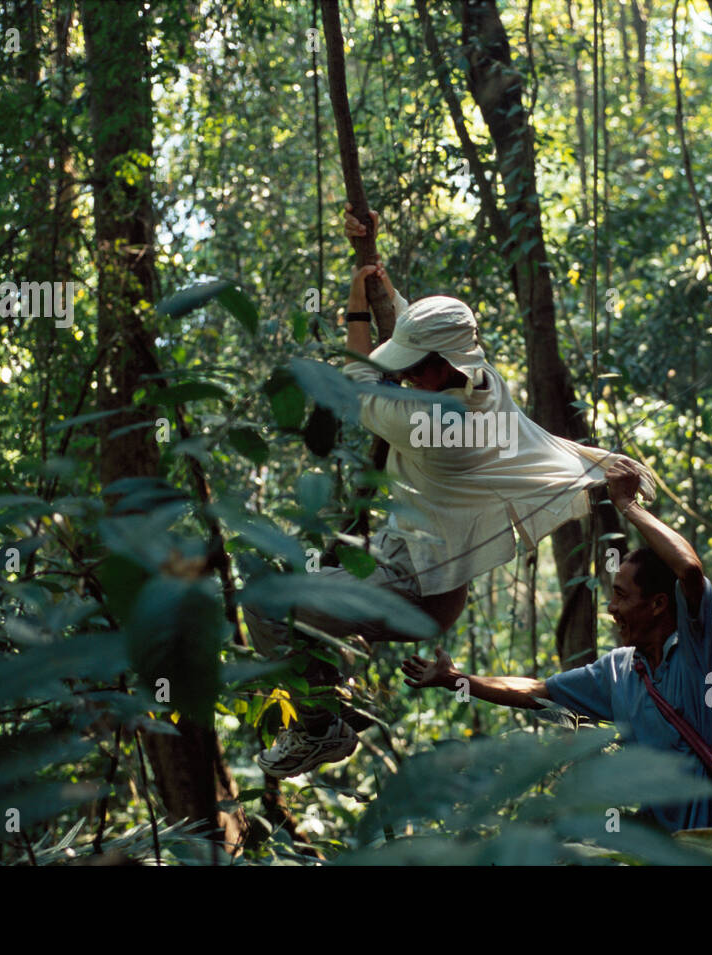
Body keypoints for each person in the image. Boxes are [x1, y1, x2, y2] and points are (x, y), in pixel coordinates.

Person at [248, 206, 656, 778]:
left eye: (418, 367)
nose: (409, 375)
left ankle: (320, 730)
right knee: (306, 595)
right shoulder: (482, 381)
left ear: (445, 365)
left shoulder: (435, 428)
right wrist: (374, 270)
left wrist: (356, 298)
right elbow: (415, 331)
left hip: (409, 587)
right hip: (428, 580)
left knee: (267, 604)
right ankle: (336, 664)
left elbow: (356, 377)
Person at [401, 461, 712, 833]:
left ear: (659, 604)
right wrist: (456, 680)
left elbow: (690, 571)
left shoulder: (698, 647)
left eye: (621, 595)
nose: (611, 608)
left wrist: (628, 504)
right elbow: (535, 691)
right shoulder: (617, 671)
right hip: (667, 850)